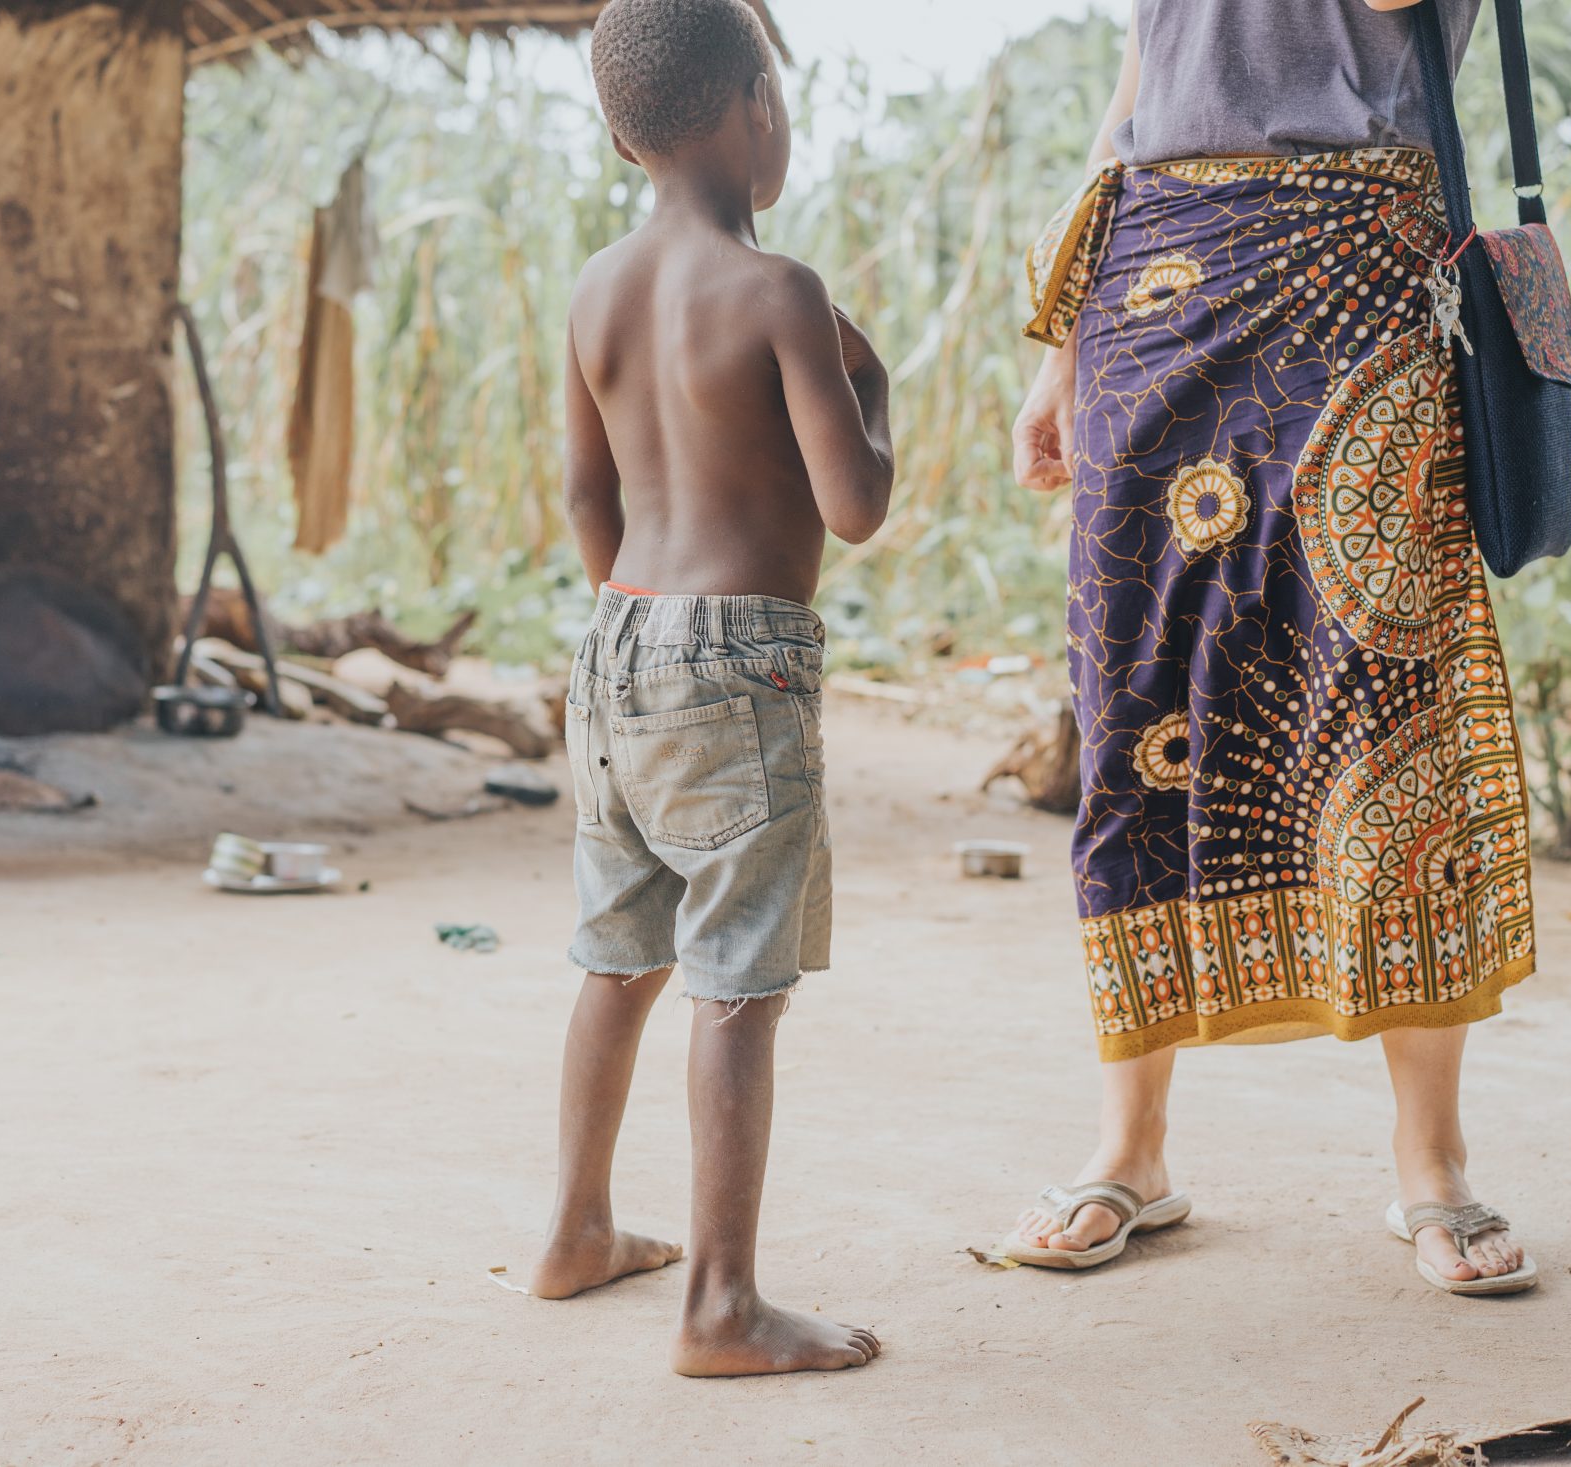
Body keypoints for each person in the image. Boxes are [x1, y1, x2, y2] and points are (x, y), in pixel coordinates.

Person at [999, 0, 1540, 1295]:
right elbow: (1141, 78)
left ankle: (1434, 1164)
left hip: (1356, 265)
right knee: (1138, 704)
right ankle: (1131, 1151)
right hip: (1154, 270)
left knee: (1389, 697)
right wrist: (1064, 342)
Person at [527, 0, 895, 1373]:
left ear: (624, 132)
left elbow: (583, 491)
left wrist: (639, 608)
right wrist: (878, 383)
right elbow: (850, 504)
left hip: (616, 638)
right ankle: (721, 1306)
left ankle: (574, 1230)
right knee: (737, 986)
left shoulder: (596, 290)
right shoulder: (781, 294)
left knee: (621, 955)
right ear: (756, 105)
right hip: (739, 658)